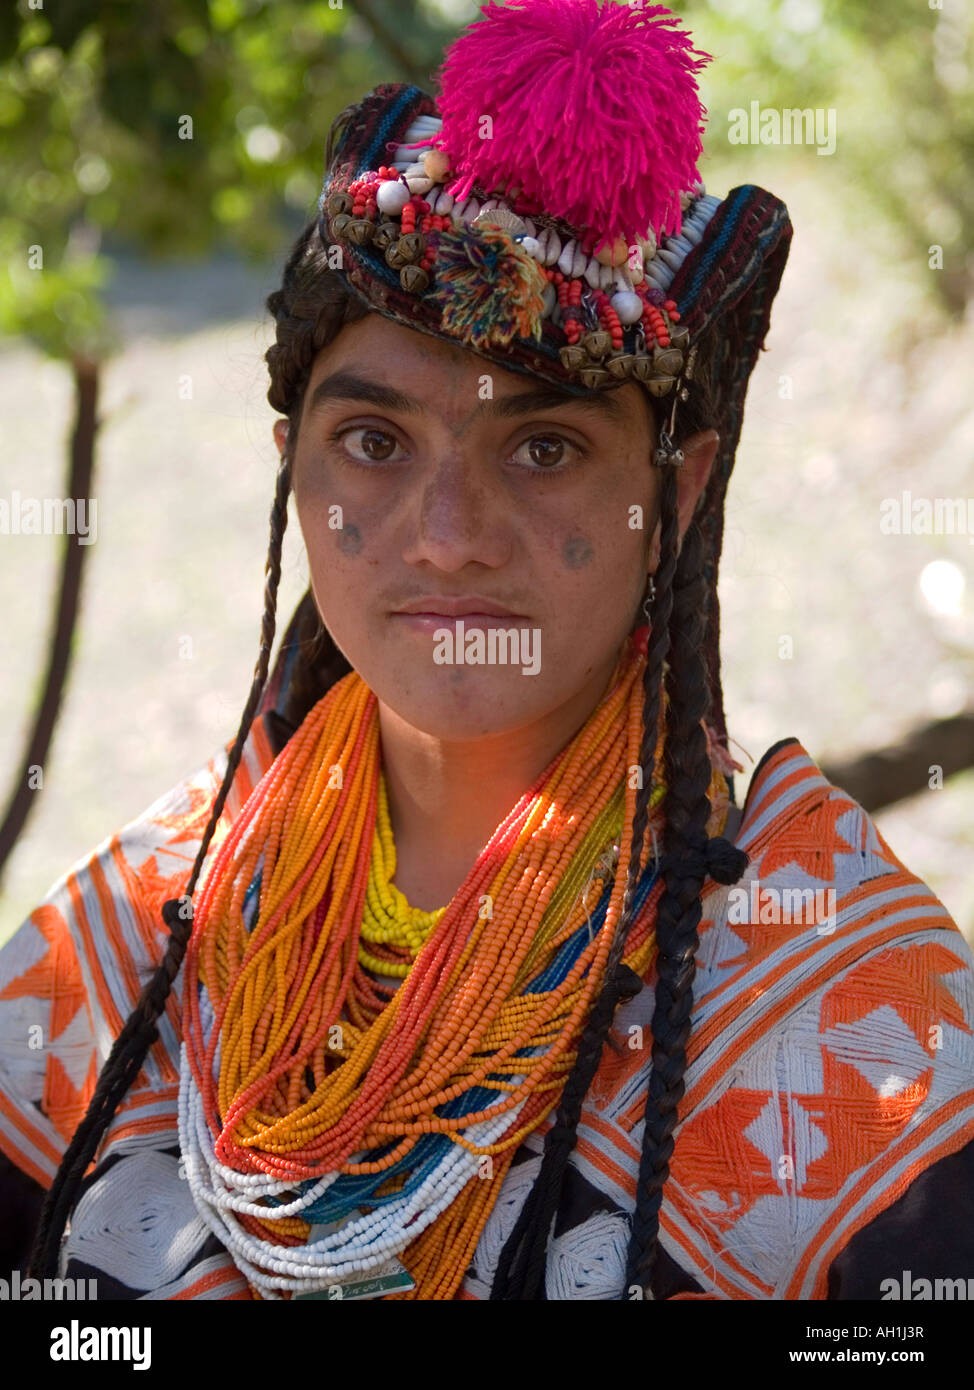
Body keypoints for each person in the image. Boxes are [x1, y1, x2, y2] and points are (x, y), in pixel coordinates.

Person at [2, 0, 973, 1302]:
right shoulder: (134, 939)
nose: (449, 537)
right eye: (375, 440)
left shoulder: (850, 1017)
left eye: (545, 447)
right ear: (291, 463)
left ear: (671, 496)